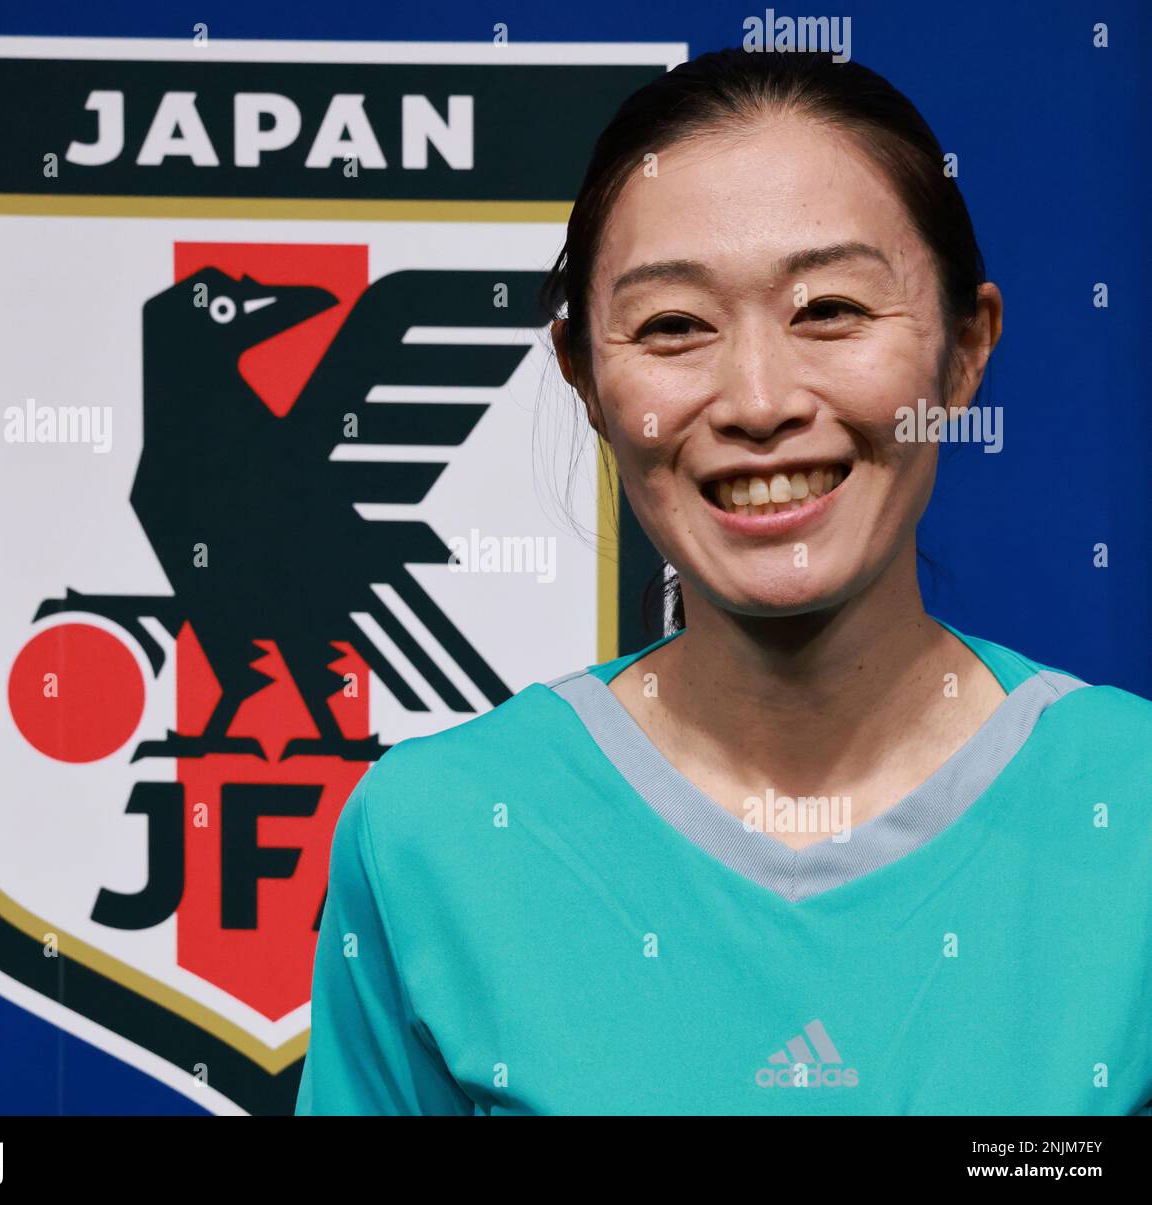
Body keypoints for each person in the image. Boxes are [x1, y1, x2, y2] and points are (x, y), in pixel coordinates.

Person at [294, 48, 1152, 1116]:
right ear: (584, 378)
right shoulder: (433, 834)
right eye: (673, 326)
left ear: (965, 348)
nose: (756, 400)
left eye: (830, 308)